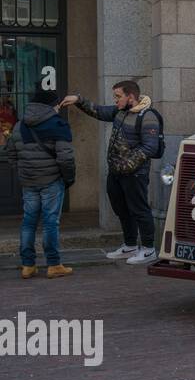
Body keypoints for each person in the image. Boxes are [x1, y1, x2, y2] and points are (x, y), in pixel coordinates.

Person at [60, 80, 162, 264]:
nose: (115, 100)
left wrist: (128, 165)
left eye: (118, 96)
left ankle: (148, 249)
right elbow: (98, 111)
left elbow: (150, 147)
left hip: (135, 174)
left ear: (130, 97)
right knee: (121, 209)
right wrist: (78, 99)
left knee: (139, 210)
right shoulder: (120, 112)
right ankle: (130, 245)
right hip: (116, 173)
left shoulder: (147, 116)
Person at [2, 90, 76, 278]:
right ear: (52, 105)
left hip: (29, 182)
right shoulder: (58, 124)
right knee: (51, 223)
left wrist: (22, 170)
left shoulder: (19, 125)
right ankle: (53, 265)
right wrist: (68, 178)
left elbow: (10, 152)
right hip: (51, 180)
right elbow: (66, 158)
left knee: (28, 222)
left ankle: (28, 265)